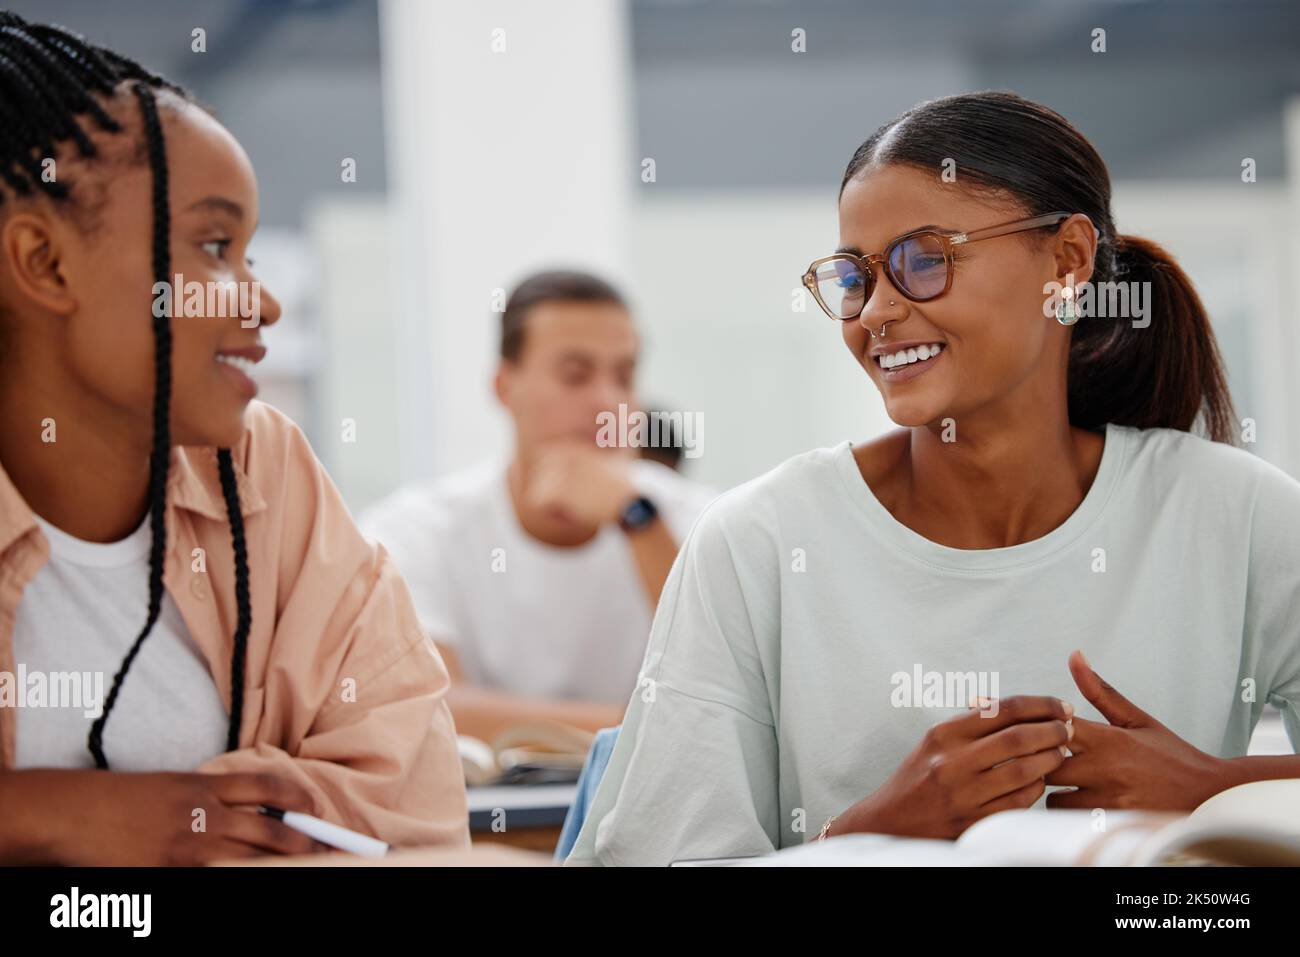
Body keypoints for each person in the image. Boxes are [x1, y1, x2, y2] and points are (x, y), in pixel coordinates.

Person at [568, 91, 1300, 866]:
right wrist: (866, 833)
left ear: (1067, 262)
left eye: (925, 260)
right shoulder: (758, 543)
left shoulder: (1236, 513)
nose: (877, 310)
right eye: (856, 276)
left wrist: (1217, 787)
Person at [0, 13, 466, 865]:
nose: (263, 303)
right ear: (45, 262)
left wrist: (277, 808)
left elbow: (414, 804)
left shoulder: (262, 470)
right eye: (215, 247)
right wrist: (62, 814)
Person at [362, 271, 716, 741]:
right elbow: (426, 706)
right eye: (576, 375)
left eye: (624, 376)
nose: (607, 401)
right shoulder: (416, 532)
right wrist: (646, 729)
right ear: (505, 387)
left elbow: (731, 687)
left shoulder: (696, 518)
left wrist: (638, 519)